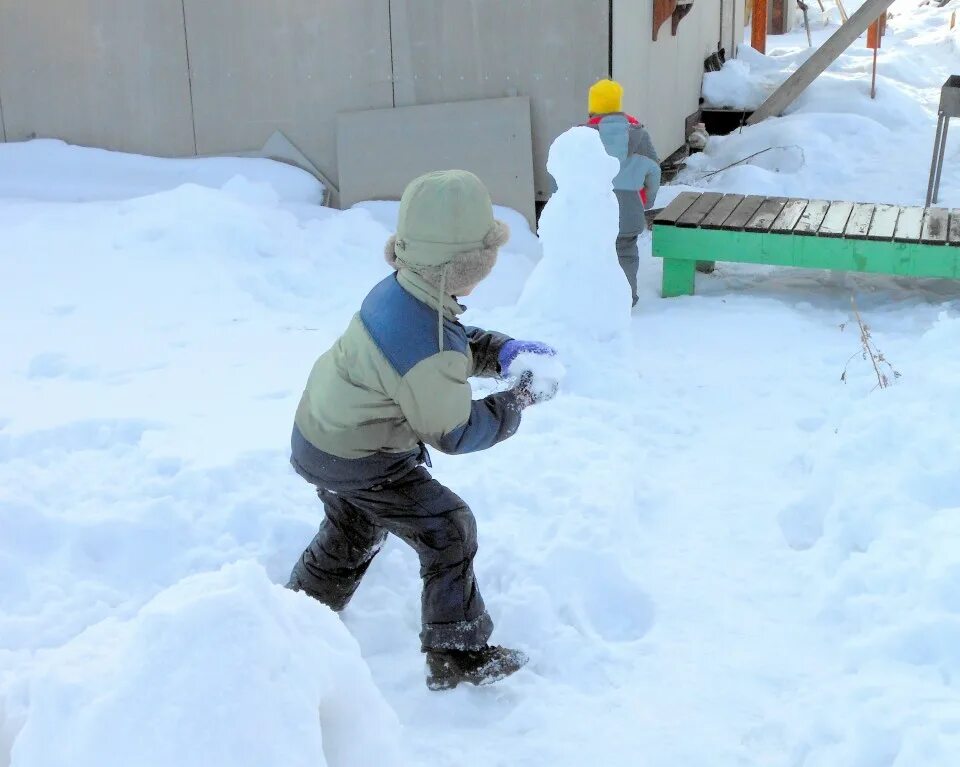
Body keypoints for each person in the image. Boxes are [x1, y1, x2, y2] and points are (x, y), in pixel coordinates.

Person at [286, 169, 557, 690]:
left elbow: (449, 340)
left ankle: (296, 619)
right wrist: (518, 399)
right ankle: (457, 656)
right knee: (448, 529)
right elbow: (455, 431)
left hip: (320, 436)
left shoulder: (404, 292)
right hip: (360, 453)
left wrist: (502, 351)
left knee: (353, 527)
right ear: (465, 268)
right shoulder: (425, 340)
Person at [585, 78, 662, 306]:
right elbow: (654, 171)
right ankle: (625, 299)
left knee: (593, 254)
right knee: (626, 253)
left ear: (592, 108)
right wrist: (646, 201)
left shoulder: (581, 137)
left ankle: (595, 299)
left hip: (592, 211)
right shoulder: (639, 137)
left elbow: (560, 177)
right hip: (629, 209)